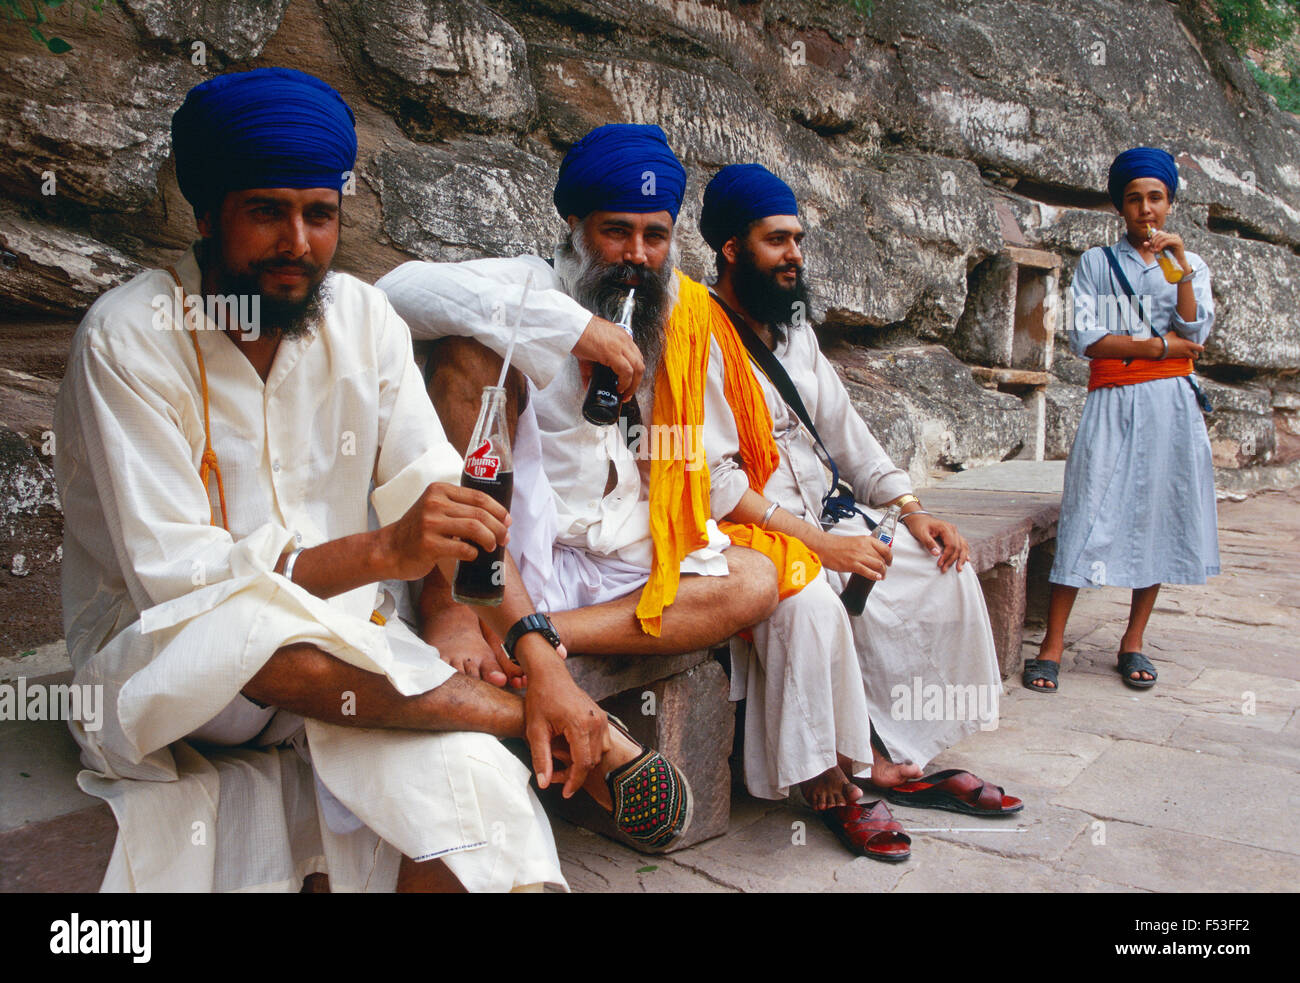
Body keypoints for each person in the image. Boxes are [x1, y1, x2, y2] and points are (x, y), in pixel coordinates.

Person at [53, 68, 691, 893]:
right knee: (248, 634)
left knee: (482, 818)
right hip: (168, 671)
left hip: (359, 661)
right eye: (266, 212)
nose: (297, 242)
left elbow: (454, 514)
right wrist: (385, 549)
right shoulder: (129, 339)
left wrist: (547, 662)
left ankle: (549, 726)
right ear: (207, 214)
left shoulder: (358, 317)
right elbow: (184, 587)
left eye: (319, 214)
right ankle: (576, 735)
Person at [381, 130, 916, 862]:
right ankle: (476, 618)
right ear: (575, 227)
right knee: (467, 349)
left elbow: (691, 465)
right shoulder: (525, 285)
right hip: (515, 542)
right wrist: (578, 330)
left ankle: (541, 633)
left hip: (615, 553)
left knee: (757, 579)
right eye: (617, 232)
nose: (637, 253)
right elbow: (390, 292)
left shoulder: (676, 313)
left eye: (655, 236)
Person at [697, 163, 1021, 830]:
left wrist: (912, 510)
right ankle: (830, 769)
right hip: (755, 532)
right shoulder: (698, 337)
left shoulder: (794, 330)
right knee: (811, 604)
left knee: (936, 563)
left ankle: (898, 750)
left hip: (830, 514)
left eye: (798, 240)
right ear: (731, 249)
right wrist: (819, 545)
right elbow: (716, 481)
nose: (794, 255)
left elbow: (849, 435)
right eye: (776, 241)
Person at [1023, 146, 1218, 693]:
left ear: (1169, 203)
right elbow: (1090, 339)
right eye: (1134, 199)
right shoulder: (1098, 263)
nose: (1146, 210)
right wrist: (1162, 345)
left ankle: (1133, 641)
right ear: (1120, 207)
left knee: (1156, 512)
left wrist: (1177, 270)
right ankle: (1052, 645)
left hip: (1172, 407)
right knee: (1088, 507)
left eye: (1155, 198)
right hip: (1114, 400)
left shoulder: (1190, 264)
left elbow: (1195, 332)